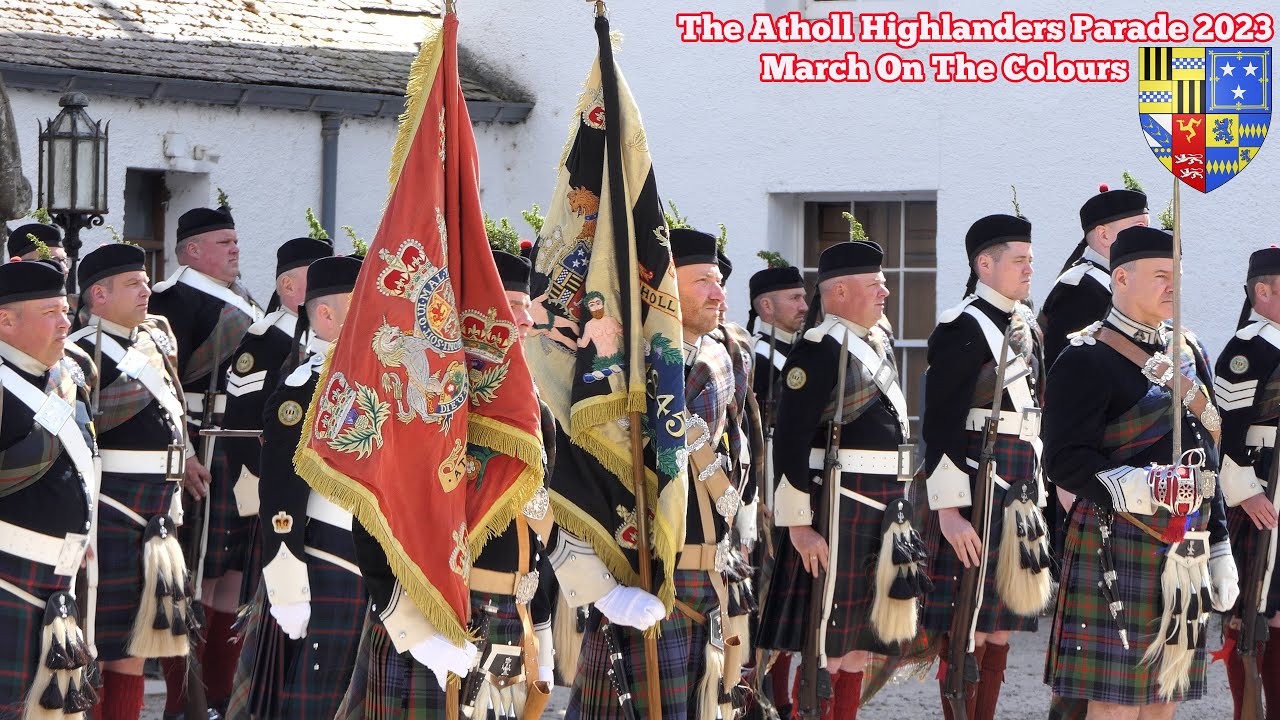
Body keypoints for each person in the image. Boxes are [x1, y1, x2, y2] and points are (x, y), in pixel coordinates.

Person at [338, 246, 557, 719]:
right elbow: (375, 519)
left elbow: (534, 537)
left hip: (505, 619)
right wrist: (417, 632)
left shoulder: (538, 417)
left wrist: (540, 628)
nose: (524, 322)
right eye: (510, 309)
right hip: (430, 619)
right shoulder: (420, 407)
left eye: (526, 309)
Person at [556, 227, 752, 720]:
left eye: (720, 281)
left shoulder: (723, 360)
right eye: (704, 280)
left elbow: (739, 458)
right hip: (642, 586)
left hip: (710, 582)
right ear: (663, 291)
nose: (719, 293)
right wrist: (603, 592)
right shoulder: (616, 374)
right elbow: (569, 481)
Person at [1043, 226, 1238, 719]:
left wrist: (1218, 544)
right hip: (1118, 540)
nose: (1173, 286)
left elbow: (1204, 460)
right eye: (1160, 276)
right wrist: (1143, 485)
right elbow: (1065, 461)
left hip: (1187, 547)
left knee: (1164, 700)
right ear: (1121, 278)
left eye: (1177, 275)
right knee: (1114, 707)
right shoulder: (1085, 358)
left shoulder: (1188, 352)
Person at [757, 237, 922, 720]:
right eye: (875, 285)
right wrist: (800, 525)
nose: (885, 293)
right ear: (840, 293)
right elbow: (789, 441)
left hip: (882, 504)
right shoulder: (818, 349)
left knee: (858, 641)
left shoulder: (875, 342)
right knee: (828, 637)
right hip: (839, 504)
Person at [920, 214, 1053, 720]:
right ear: (985, 263)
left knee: (1001, 623)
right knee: (967, 622)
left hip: (1019, 486)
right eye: (1019, 261)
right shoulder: (961, 327)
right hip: (977, 488)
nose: (1028, 270)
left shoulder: (1028, 328)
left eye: (1030, 261)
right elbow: (941, 425)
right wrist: (950, 511)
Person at [233, 254, 366, 718]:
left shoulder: (382, 381)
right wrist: (288, 587)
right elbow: (281, 495)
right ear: (325, 315)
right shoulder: (302, 388)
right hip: (326, 563)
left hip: (376, 564)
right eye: (364, 302)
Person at [148, 204, 263, 717]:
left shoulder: (246, 299)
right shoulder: (169, 301)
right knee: (194, 576)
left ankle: (219, 694)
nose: (235, 249)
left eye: (235, 241)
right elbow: (163, 386)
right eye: (223, 242)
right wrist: (186, 451)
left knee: (232, 573)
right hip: (202, 442)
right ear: (191, 250)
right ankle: (184, 701)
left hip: (242, 444)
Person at [69, 243, 192, 720]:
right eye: (133, 284)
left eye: (145, 282)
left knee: (139, 640)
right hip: (112, 503)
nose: (146, 291)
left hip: (159, 503)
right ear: (98, 295)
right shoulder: (80, 352)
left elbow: (173, 408)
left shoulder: (154, 340)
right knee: (100, 637)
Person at [0, 259, 98, 716]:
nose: (67, 323)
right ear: (7, 320)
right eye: (51, 313)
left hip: (62, 577)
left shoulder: (67, 378)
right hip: (9, 578)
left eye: (67, 310)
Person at [220, 236, 332, 600]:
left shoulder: (327, 342)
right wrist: (255, 498)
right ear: (287, 286)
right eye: (316, 277)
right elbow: (241, 425)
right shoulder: (264, 341)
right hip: (272, 491)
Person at [1211, 246, 1280, 718]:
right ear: (1263, 291)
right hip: (1260, 491)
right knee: (1252, 609)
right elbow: (1222, 432)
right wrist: (1246, 491)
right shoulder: (1246, 348)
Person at [1040, 185, 1149, 370]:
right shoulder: (1079, 289)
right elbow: (1068, 370)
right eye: (1139, 229)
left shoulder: (1110, 281)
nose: (1148, 237)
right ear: (1104, 235)